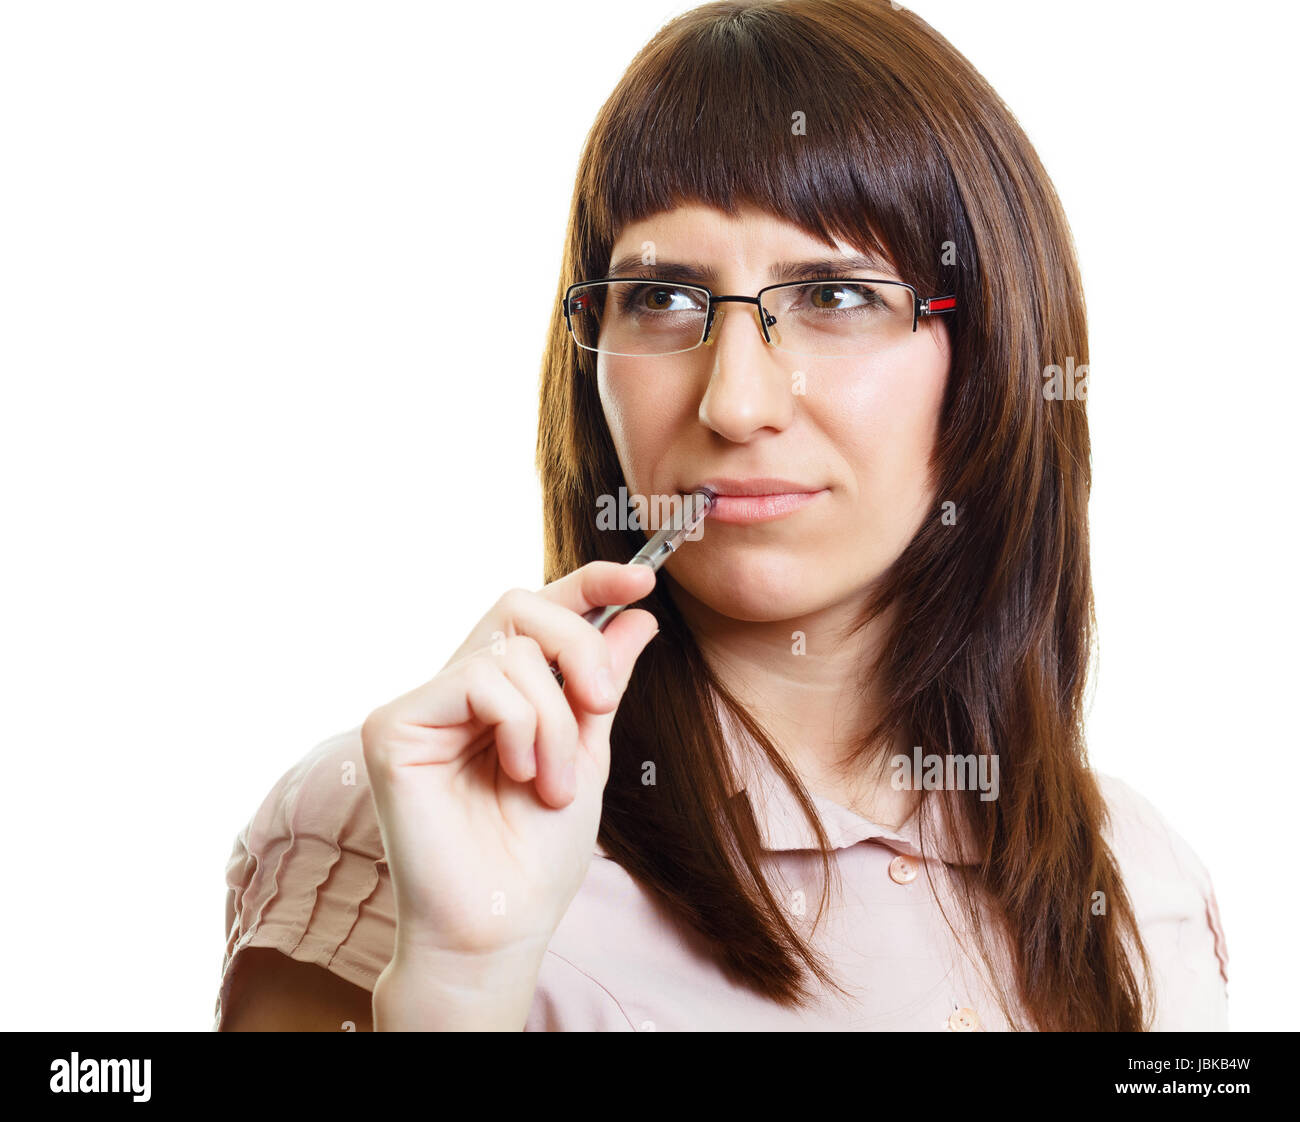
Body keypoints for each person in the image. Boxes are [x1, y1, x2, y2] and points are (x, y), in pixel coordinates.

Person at [215, 0, 1228, 1031]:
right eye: (660, 299)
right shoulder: (408, 824)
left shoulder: (1142, 892)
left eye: (834, 296)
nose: (734, 404)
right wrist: (461, 977)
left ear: (994, 354)